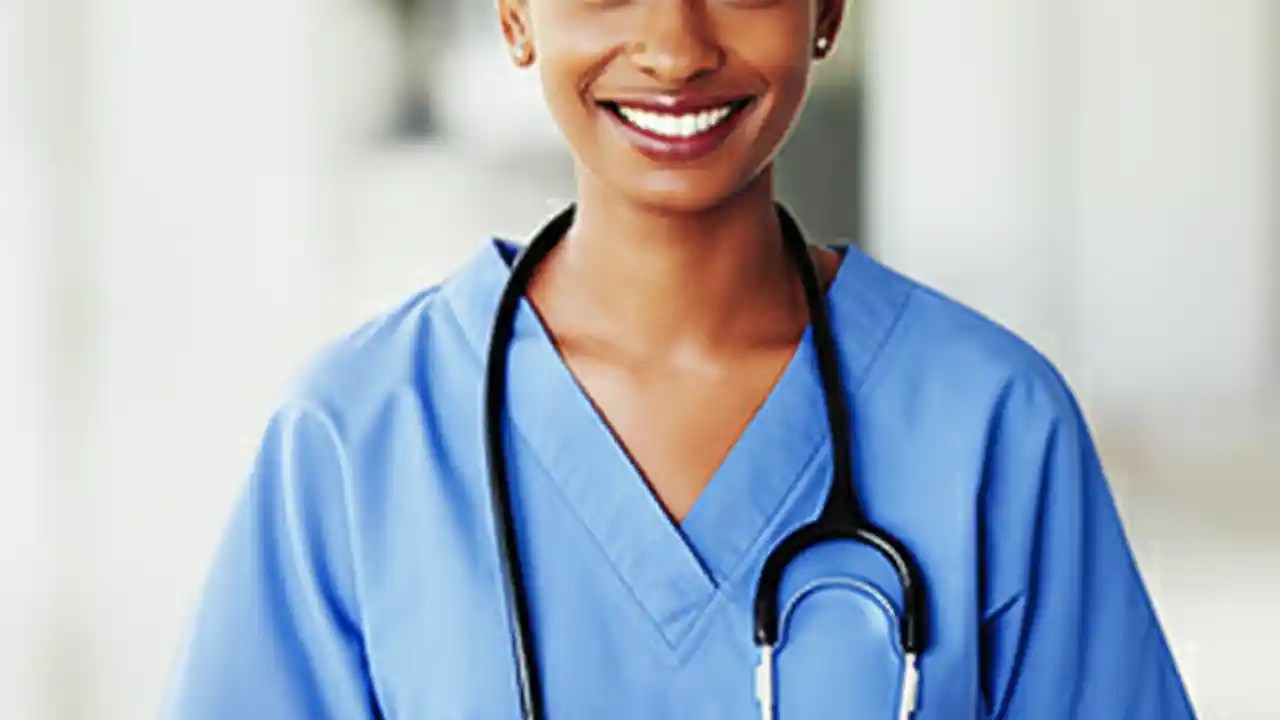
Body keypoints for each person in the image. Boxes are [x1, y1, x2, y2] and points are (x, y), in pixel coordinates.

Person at [164, 0, 1197, 717]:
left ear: (824, 10)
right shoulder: (359, 436)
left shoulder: (989, 424)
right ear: (515, 15)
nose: (673, 45)